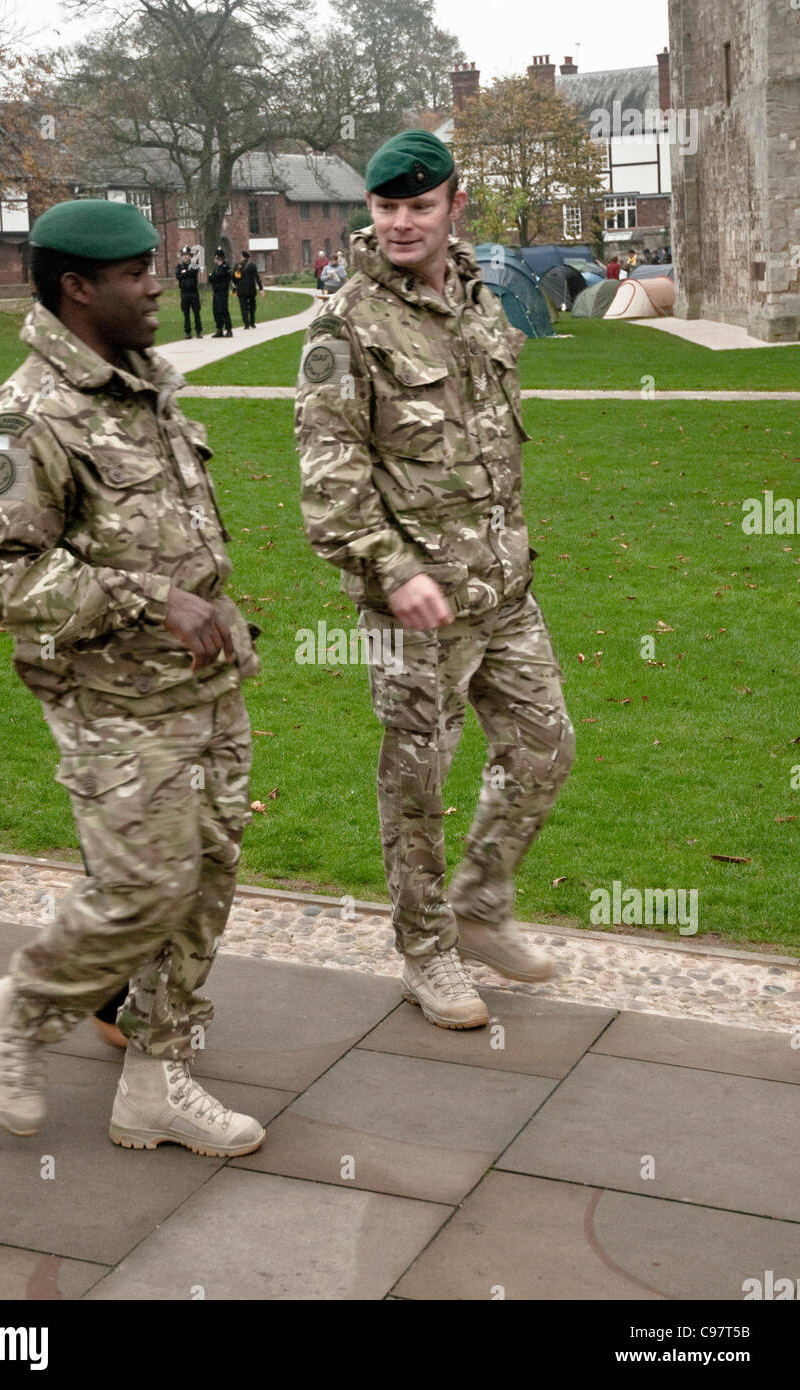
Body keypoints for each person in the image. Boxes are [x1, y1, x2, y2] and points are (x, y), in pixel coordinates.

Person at [0, 198, 265, 1157]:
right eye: (137, 272)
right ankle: (19, 1010)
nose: (158, 283)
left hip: (205, 687)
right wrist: (148, 599)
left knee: (205, 879)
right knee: (141, 889)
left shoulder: (144, 383)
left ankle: (153, 1080)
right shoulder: (27, 419)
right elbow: (0, 576)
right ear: (76, 289)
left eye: (157, 264)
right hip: (112, 702)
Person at [295, 131, 575, 1030]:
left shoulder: (481, 299)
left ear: (456, 205)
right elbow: (329, 480)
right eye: (386, 207)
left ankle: (480, 904)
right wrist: (394, 570)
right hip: (415, 608)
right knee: (417, 778)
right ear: (370, 212)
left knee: (543, 748)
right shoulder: (344, 325)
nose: (402, 221)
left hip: (501, 589)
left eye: (419, 205)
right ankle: (425, 950)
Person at [231, 249, 264, 328]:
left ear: (242, 256)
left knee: (243, 307)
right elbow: (257, 278)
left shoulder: (237, 266)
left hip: (241, 289)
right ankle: (252, 322)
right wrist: (261, 289)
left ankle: (246, 324)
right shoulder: (252, 265)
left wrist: (234, 288)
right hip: (251, 289)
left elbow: (234, 278)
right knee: (252, 306)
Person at [175, 245, 203, 338]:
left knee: (196, 313)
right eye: (184, 255)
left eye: (187, 255)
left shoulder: (194, 265)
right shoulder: (179, 266)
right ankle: (188, 332)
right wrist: (186, 272)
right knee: (186, 313)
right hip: (184, 293)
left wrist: (185, 272)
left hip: (193, 292)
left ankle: (199, 331)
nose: (185, 257)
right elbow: (178, 276)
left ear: (190, 256)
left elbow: (193, 273)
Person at [208, 249, 233, 337]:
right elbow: (210, 279)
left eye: (215, 257)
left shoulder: (225, 268)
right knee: (216, 311)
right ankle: (219, 329)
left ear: (218, 258)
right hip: (216, 292)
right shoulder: (217, 268)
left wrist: (213, 276)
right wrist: (213, 277)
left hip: (222, 292)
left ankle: (229, 329)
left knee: (223, 310)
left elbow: (218, 277)